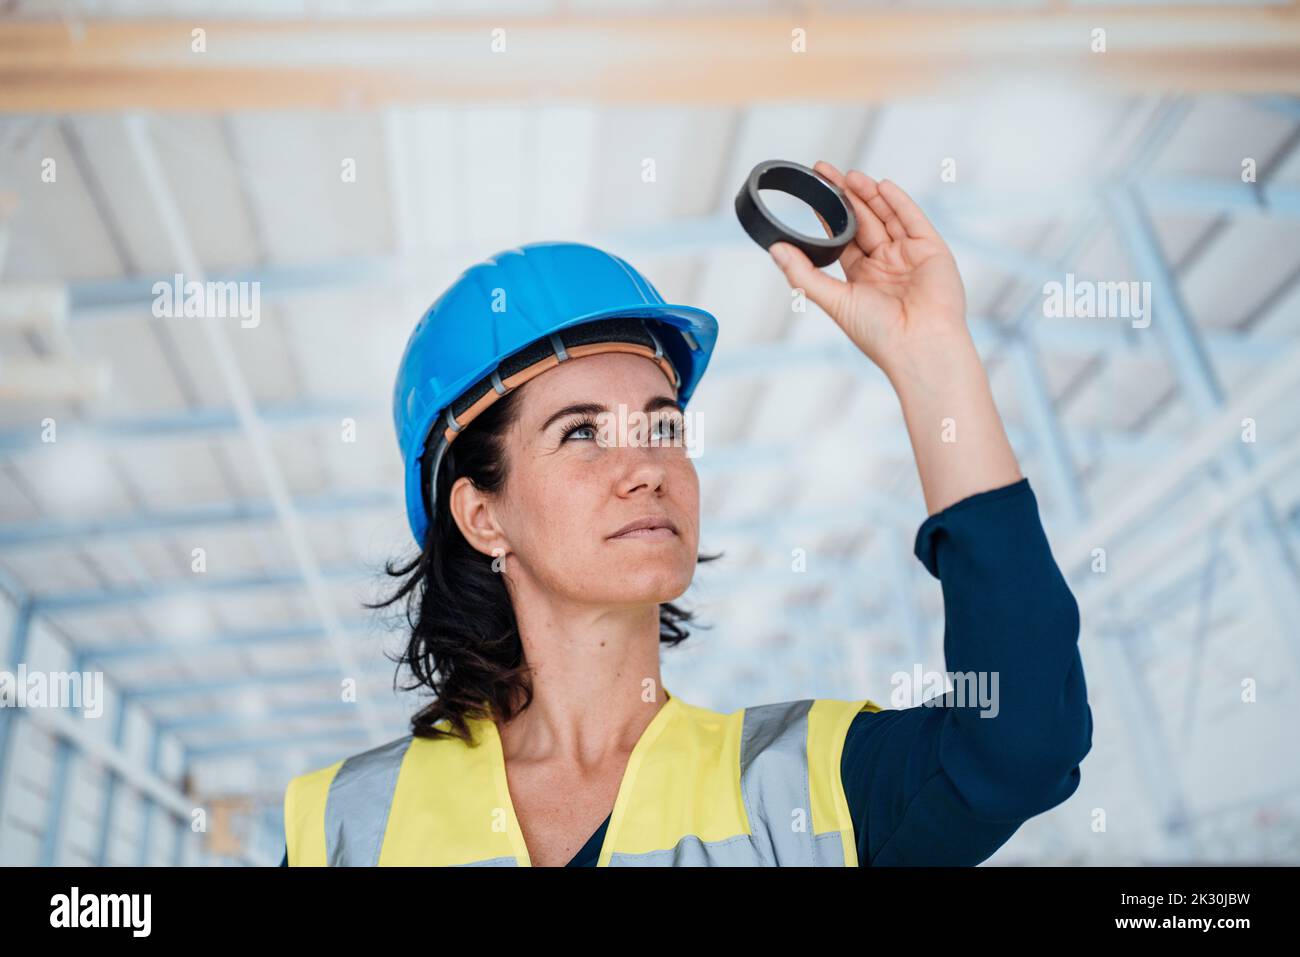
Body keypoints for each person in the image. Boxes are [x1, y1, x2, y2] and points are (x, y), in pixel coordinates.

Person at [280, 161, 1091, 867]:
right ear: (482, 516)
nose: (647, 467)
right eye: (583, 431)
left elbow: (1021, 739)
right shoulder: (344, 828)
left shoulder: (797, 789)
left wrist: (931, 355)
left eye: (664, 425)